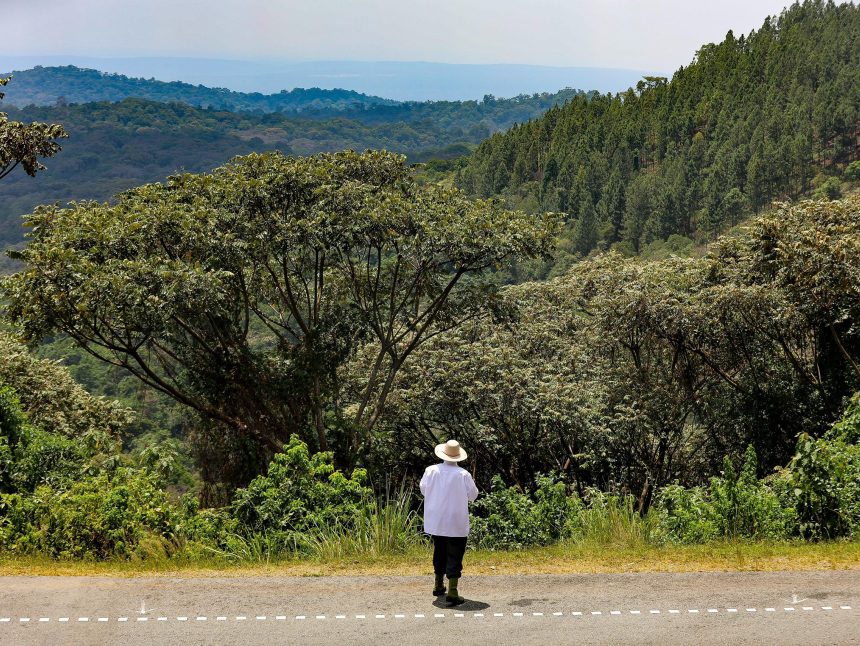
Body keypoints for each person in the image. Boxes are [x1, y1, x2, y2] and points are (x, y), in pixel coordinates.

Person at [419, 439, 479, 606]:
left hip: (436, 520)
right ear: (458, 456)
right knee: (455, 553)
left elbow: (423, 489)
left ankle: (438, 584)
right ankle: (453, 590)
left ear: (443, 454)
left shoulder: (430, 471)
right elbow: (473, 496)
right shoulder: (463, 474)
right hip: (456, 521)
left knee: (439, 550)